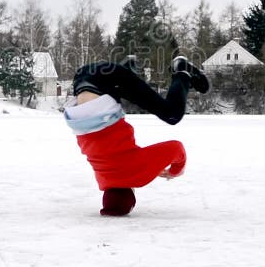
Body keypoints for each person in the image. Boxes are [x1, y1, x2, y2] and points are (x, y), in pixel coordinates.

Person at [63, 55, 209, 216]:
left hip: (104, 81)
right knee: (124, 100)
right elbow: (119, 164)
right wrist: (147, 167)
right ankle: (128, 67)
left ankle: (182, 71)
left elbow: (177, 148)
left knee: (172, 114)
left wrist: (175, 170)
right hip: (83, 80)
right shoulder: (104, 175)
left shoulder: (131, 173)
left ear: (131, 193)